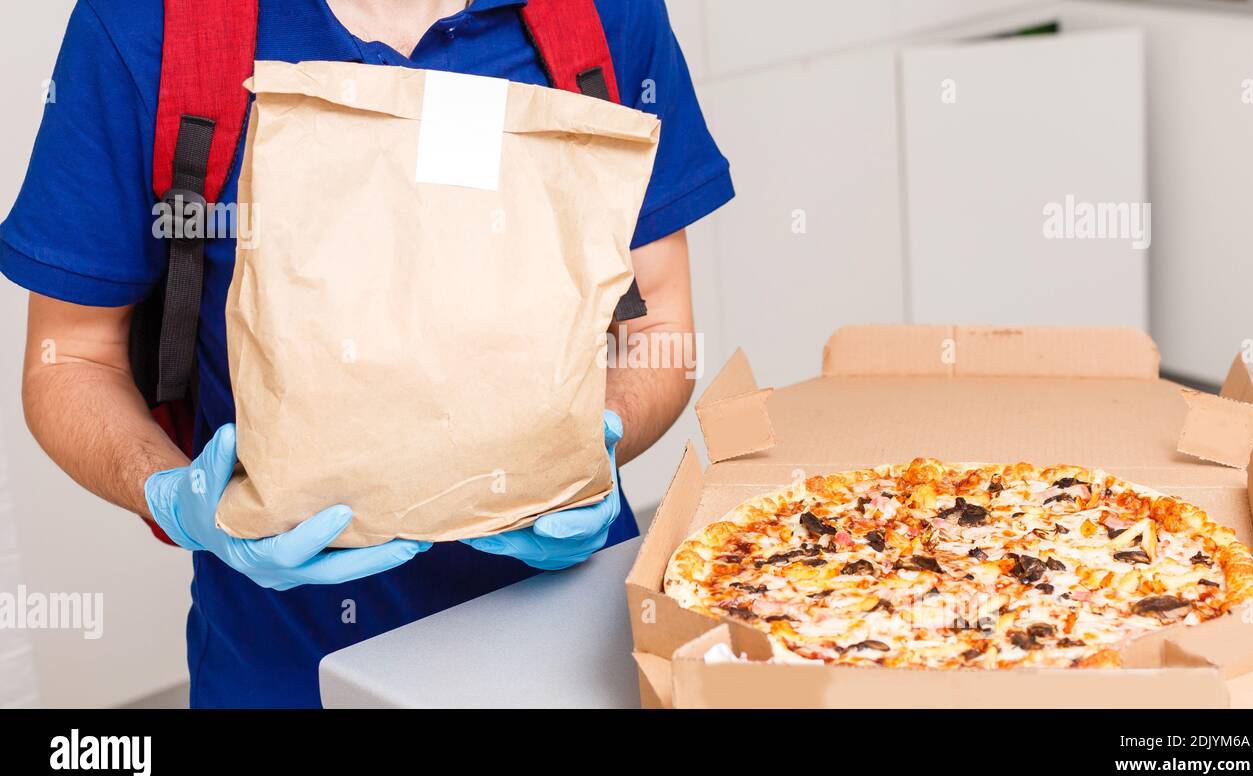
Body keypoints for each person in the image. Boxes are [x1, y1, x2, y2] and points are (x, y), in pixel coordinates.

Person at [0, 0, 732, 707]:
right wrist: (176, 495)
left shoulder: (599, 14)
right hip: (290, 671)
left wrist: (600, 445)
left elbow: (657, 321)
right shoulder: (150, 25)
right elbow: (71, 359)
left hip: (574, 652)